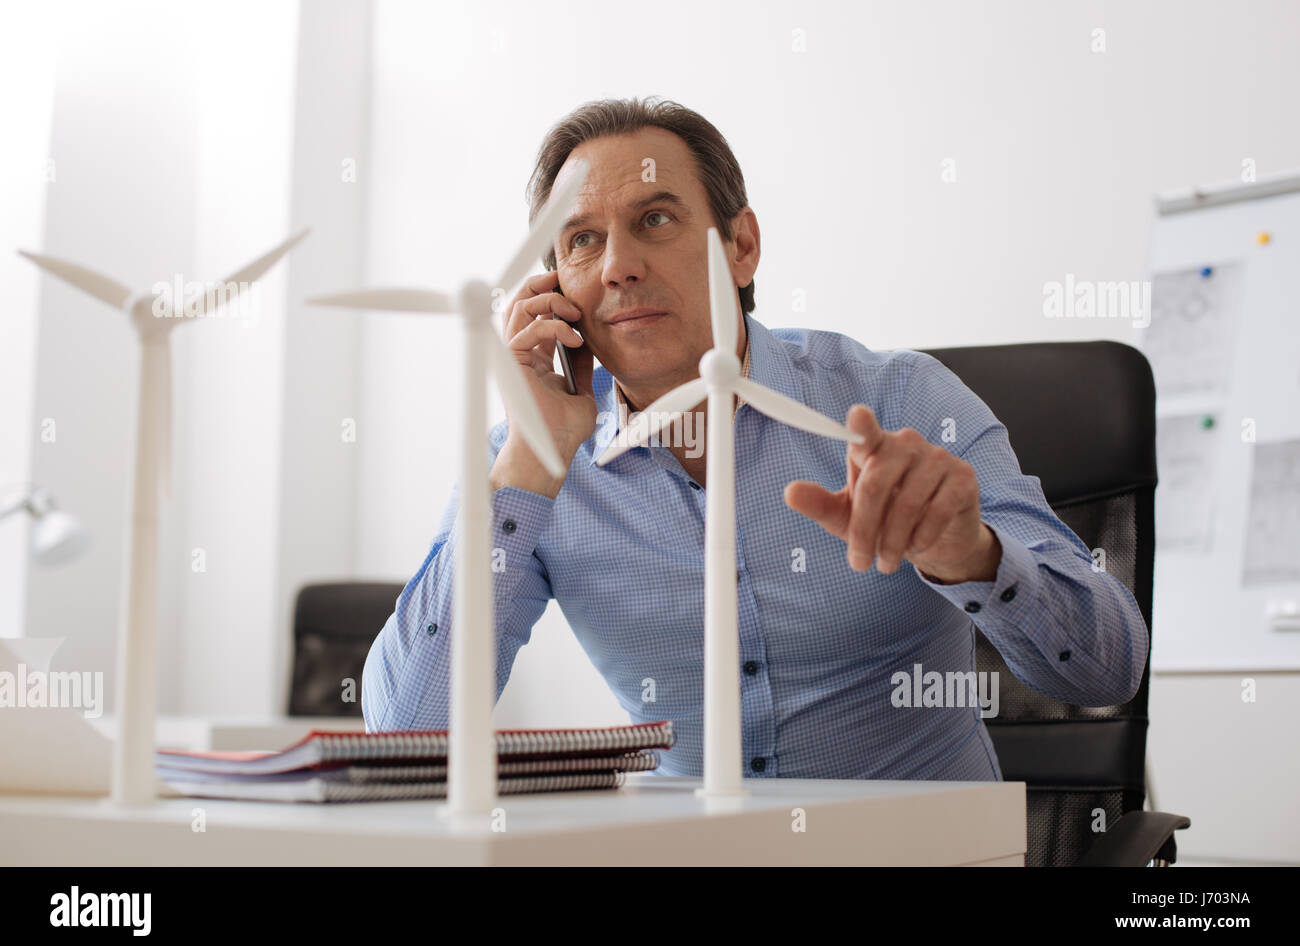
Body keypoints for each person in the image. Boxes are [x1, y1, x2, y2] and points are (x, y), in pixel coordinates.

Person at [361, 97, 1148, 781]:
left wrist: (971, 552)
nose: (619, 268)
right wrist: (529, 468)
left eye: (654, 219)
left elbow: (1107, 669)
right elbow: (405, 736)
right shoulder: (529, 461)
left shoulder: (899, 399)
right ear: (553, 285)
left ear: (742, 246)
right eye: (581, 241)